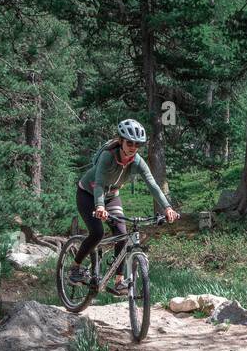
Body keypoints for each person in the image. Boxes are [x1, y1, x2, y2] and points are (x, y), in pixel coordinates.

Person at [70, 118, 178, 290]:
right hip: (88, 194)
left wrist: (167, 207)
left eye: (137, 144)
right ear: (121, 141)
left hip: (111, 196)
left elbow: (152, 185)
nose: (133, 147)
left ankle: (119, 281)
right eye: (129, 142)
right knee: (97, 232)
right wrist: (99, 206)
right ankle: (75, 267)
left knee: (122, 234)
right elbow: (98, 183)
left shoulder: (137, 161)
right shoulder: (108, 156)